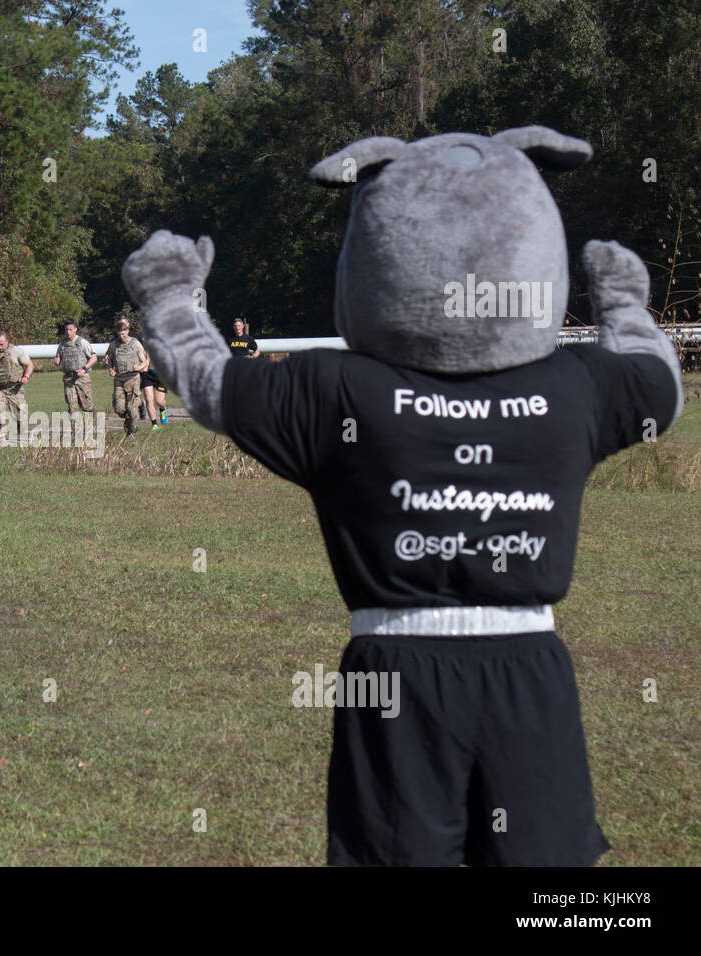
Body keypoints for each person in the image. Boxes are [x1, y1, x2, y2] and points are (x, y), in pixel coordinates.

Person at [123, 127, 685, 867]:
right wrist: (623, 306)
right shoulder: (574, 388)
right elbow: (660, 388)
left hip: (394, 670)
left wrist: (170, 296)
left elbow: (207, 383)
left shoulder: (336, 391)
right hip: (530, 670)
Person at [105, 316, 149, 436]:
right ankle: (140, 403)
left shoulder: (135, 344)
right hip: (119, 379)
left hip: (133, 378)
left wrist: (139, 368)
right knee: (120, 409)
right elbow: (108, 358)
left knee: (131, 408)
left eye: (123, 335)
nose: (122, 337)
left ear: (127, 331)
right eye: (119, 335)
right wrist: (110, 369)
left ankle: (131, 432)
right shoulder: (114, 344)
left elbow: (144, 361)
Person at [54, 320, 97, 442]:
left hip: (82, 379)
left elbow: (93, 358)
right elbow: (58, 357)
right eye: (66, 330)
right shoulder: (62, 344)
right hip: (68, 379)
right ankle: (76, 432)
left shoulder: (82, 342)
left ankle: (91, 428)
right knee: (72, 406)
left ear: (75, 330)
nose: (68, 332)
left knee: (86, 406)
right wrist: (57, 360)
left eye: (70, 329)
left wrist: (84, 369)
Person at [133, 330, 169, 429]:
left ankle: (162, 408)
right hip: (147, 373)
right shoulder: (144, 338)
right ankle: (154, 424)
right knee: (149, 399)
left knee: (159, 401)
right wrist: (143, 366)